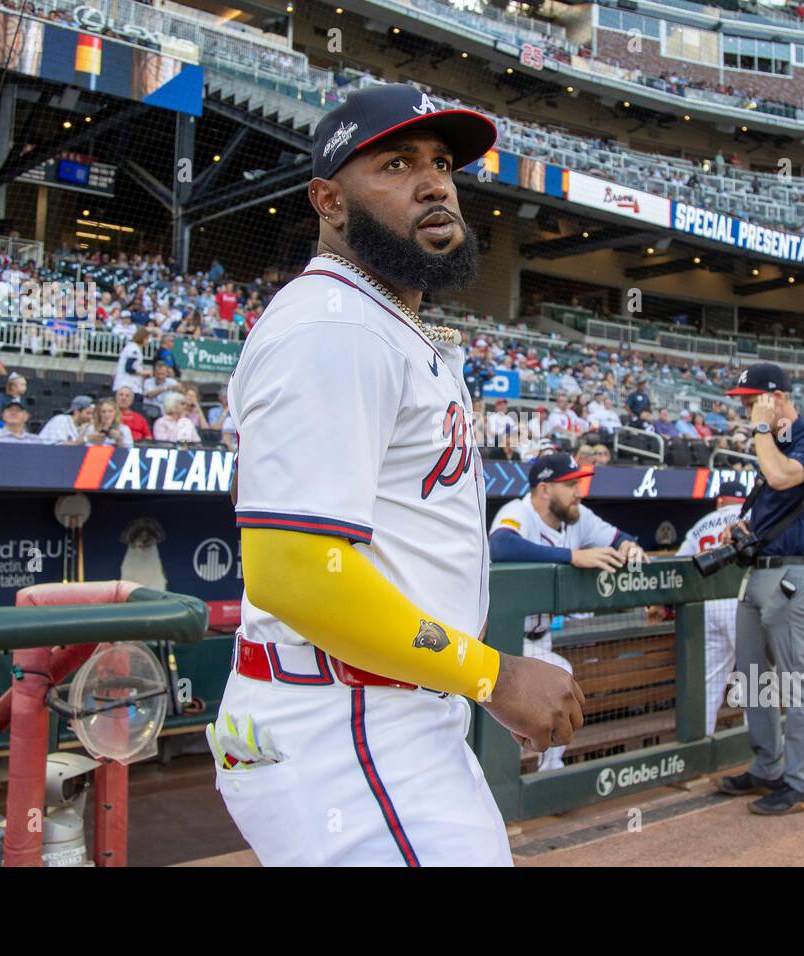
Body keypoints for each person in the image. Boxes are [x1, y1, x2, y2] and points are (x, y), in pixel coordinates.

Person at [213, 84, 579, 867]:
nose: (434, 181)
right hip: (342, 720)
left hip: (374, 710)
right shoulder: (332, 327)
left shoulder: (381, 323)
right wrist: (493, 677)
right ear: (329, 201)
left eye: (442, 162)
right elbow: (296, 574)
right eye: (395, 162)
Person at [714, 362, 804, 815]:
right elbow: (774, 492)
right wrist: (747, 528)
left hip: (795, 575)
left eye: (752, 401)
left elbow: (784, 477)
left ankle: (800, 783)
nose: (746, 410)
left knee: (795, 681)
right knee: (753, 677)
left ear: (777, 397)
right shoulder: (772, 444)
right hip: (760, 571)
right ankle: (766, 767)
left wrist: (762, 427)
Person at [489, 452, 646, 771]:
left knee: (544, 697)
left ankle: (537, 775)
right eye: (570, 484)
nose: (579, 492)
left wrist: (630, 545)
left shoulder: (578, 516)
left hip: (538, 636)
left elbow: (620, 537)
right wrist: (572, 556)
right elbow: (501, 546)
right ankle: (541, 774)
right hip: (500, 634)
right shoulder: (517, 511)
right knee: (558, 676)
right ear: (544, 489)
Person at [675, 479, 747, 735]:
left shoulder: (701, 525)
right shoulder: (750, 516)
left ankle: (700, 739)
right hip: (740, 600)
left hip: (706, 605)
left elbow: (680, 564)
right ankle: (761, 744)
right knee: (755, 672)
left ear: (719, 501)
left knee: (710, 679)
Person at [114, 327, 151, 393]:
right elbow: (129, 368)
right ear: (143, 338)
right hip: (127, 386)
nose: (148, 341)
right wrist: (144, 372)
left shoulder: (131, 347)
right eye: (147, 339)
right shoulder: (134, 349)